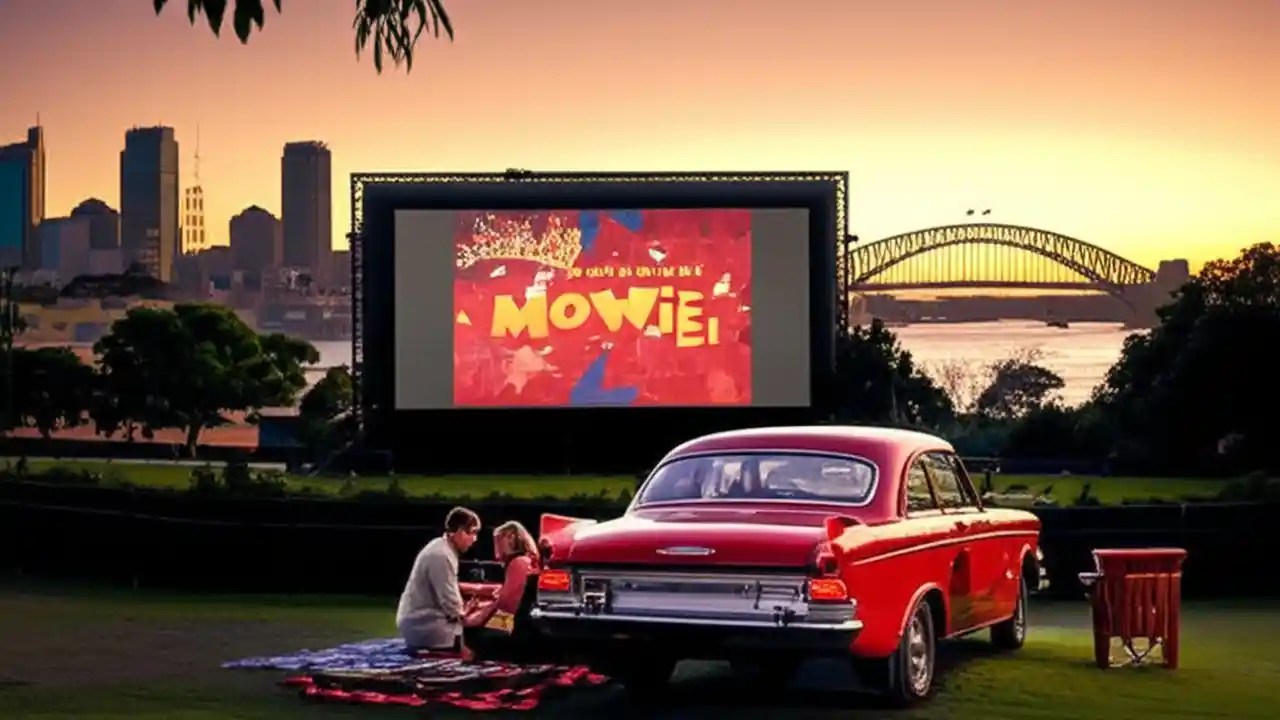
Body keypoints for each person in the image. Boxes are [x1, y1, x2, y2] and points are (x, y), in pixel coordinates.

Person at [396, 506, 482, 658]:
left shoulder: (441, 548)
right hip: (424, 624)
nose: (475, 539)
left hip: (419, 620)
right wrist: (473, 612)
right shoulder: (442, 555)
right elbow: (451, 605)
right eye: (473, 532)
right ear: (461, 531)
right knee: (473, 650)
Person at [460, 520, 540, 660]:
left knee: (467, 630)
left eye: (498, 541)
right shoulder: (527, 561)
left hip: (513, 626)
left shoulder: (518, 563)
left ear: (510, 538)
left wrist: (477, 617)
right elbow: (504, 591)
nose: (496, 548)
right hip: (518, 623)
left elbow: (506, 604)